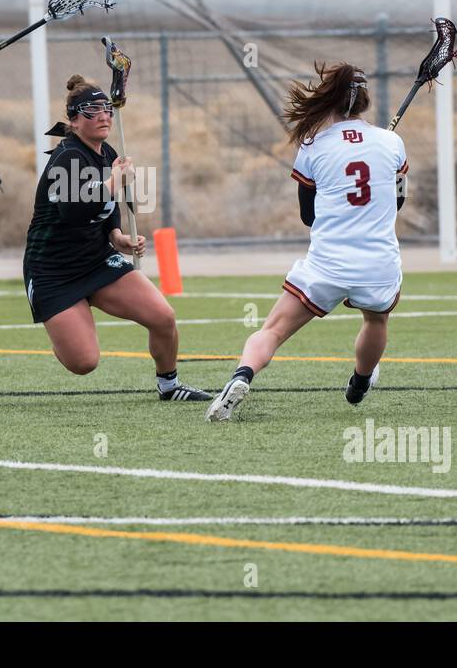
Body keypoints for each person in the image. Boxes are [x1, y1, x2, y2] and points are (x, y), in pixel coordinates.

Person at [204, 62, 408, 421]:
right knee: (376, 322)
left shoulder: (312, 146)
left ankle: (241, 377)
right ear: (364, 102)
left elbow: (307, 215)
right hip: (378, 263)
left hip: (327, 263)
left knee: (272, 330)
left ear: (328, 99)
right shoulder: (392, 143)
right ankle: (359, 383)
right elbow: (399, 200)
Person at [23, 74, 209, 402]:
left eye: (108, 108)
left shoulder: (107, 153)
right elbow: (74, 209)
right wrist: (112, 182)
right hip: (52, 271)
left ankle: (169, 385)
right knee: (84, 362)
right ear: (75, 119)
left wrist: (116, 234)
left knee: (163, 317)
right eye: (94, 109)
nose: (105, 115)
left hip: (96, 260)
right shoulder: (66, 157)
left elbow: (107, 207)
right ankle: (64, 331)